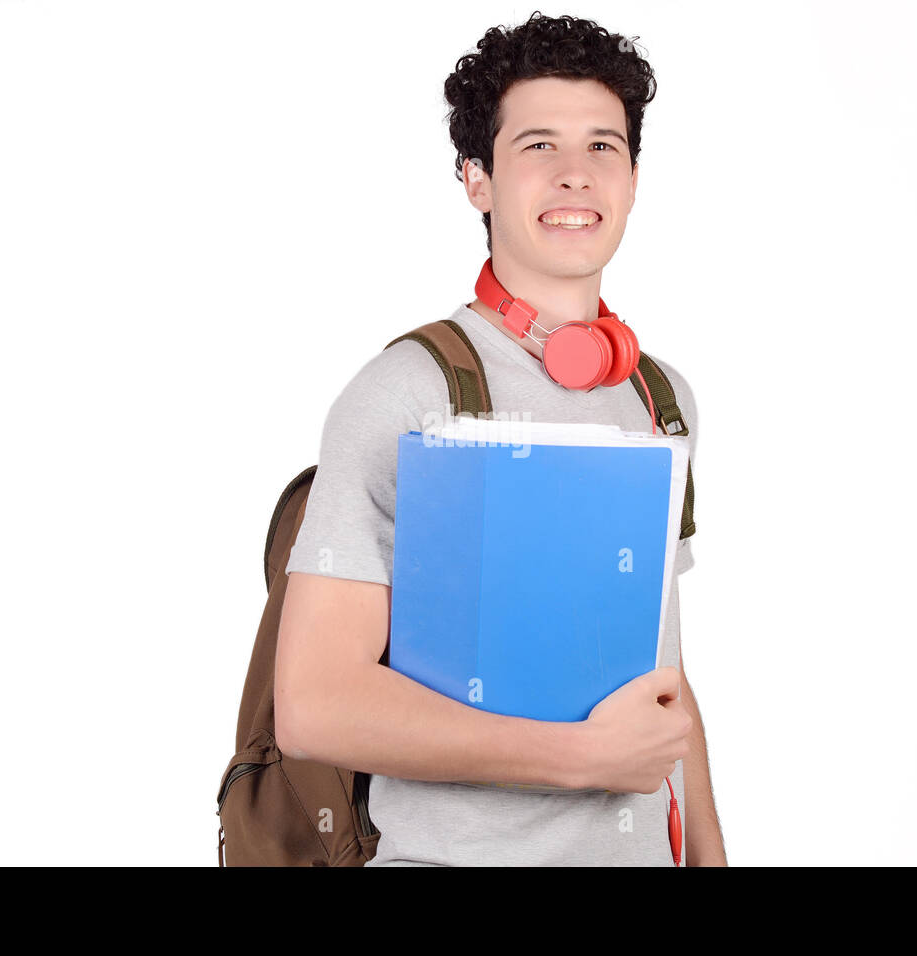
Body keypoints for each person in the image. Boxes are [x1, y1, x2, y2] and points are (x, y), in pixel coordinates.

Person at [275, 11, 727, 866]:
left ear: (633, 178)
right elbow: (313, 704)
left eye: (604, 146)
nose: (575, 176)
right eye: (537, 147)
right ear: (475, 179)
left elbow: (665, 680)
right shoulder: (409, 391)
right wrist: (576, 759)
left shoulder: (660, 399)